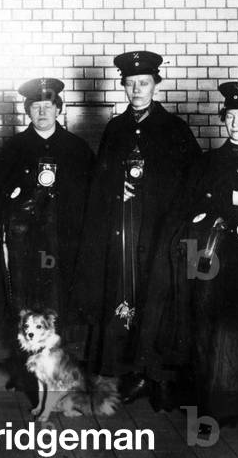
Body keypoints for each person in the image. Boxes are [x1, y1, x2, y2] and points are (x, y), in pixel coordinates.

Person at [143, 82, 238, 422]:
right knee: (205, 326)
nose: (235, 122)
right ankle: (212, 405)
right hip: (208, 260)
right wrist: (228, 201)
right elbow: (183, 207)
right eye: (231, 115)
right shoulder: (204, 163)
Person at [70, 51, 200, 407]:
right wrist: (118, 189)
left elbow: (191, 182)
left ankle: (157, 374)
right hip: (125, 231)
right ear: (124, 87)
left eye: (143, 83)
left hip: (160, 233)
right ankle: (130, 370)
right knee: (124, 297)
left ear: (156, 85)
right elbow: (101, 180)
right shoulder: (116, 128)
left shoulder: (175, 129)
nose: (136, 90)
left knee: (157, 299)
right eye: (130, 84)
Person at [0, 77, 94, 390]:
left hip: (63, 242)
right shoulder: (14, 148)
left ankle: (62, 368)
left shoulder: (76, 149)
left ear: (59, 109)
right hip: (26, 243)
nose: (42, 112)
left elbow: (91, 196)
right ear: (28, 111)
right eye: (36, 107)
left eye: (48, 107)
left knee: (59, 301)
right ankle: (24, 371)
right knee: (25, 300)